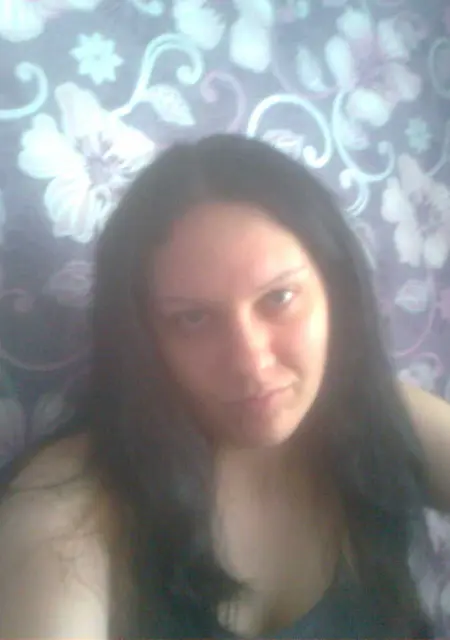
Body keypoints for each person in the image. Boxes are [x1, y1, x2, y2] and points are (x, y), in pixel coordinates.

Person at [0, 134, 449, 639]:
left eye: (279, 298)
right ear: (144, 335)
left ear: (335, 291)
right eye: (193, 319)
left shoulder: (383, 416)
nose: (250, 363)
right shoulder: (72, 506)